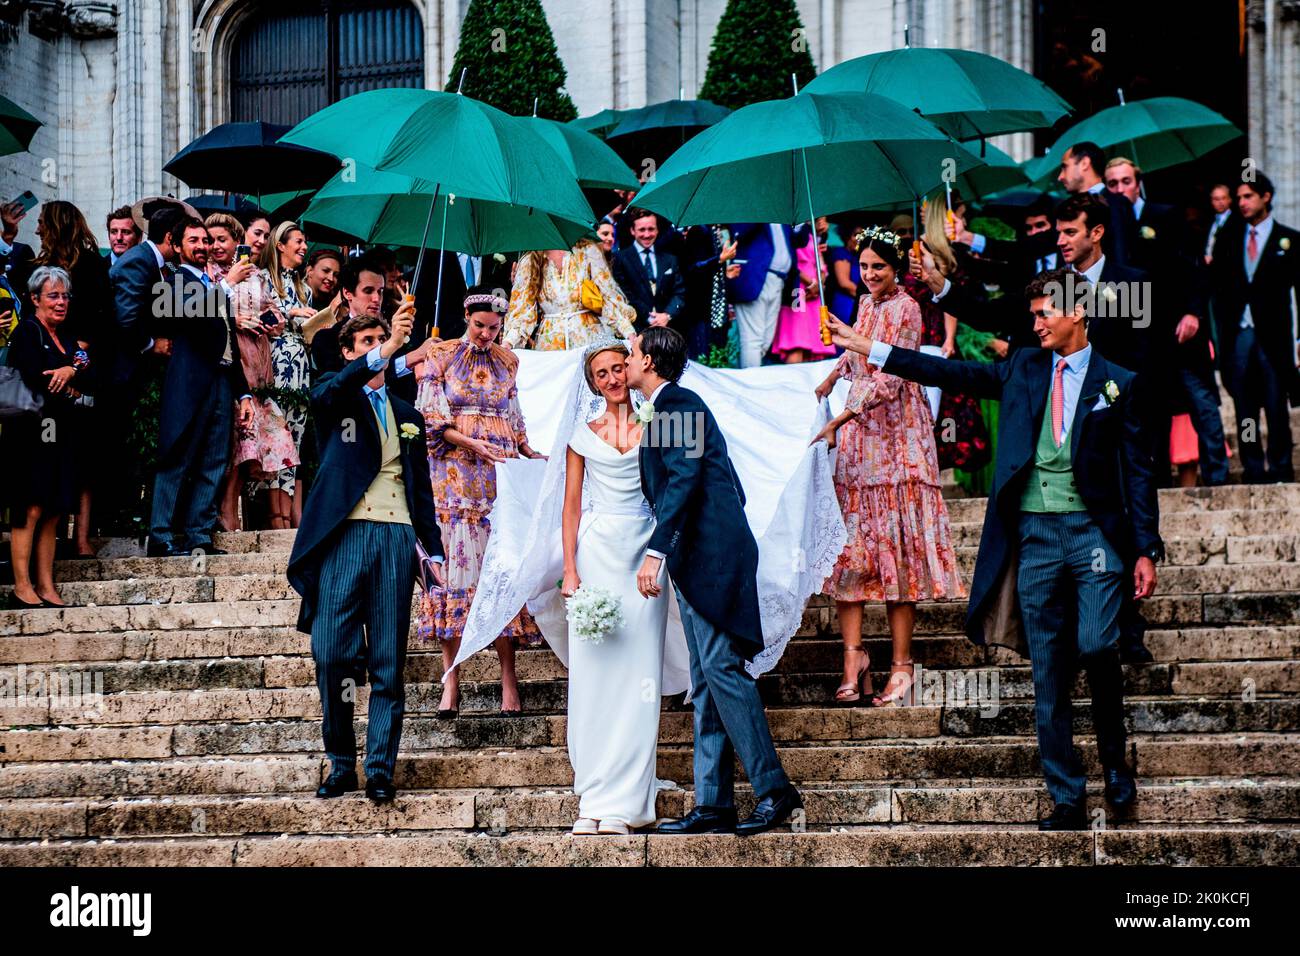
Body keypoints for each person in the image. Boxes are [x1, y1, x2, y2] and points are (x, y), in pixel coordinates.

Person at [826, 267, 1163, 831]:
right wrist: (873, 347)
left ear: (1078, 313)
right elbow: (949, 369)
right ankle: (1066, 795)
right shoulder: (1025, 367)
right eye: (1032, 315)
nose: (1033, 325)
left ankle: (1114, 766)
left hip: (1095, 536)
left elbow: (1139, 474)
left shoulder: (1118, 382)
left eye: (1042, 314)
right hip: (1034, 534)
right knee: (1049, 666)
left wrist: (1146, 548)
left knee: (1100, 645)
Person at [627, 326, 802, 836]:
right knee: (704, 682)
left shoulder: (679, 403)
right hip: (701, 554)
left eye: (634, 352)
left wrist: (656, 551)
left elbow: (684, 477)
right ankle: (713, 804)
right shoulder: (668, 406)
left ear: (653, 362)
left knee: (722, 670)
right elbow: (722, 480)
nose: (629, 359)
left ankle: (775, 791)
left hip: (711, 556)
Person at [286, 308, 445, 804]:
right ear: (351, 352)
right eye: (370, 341)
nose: (382, 345)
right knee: (332, 653)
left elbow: (421, 490)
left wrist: (433, 550)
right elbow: (326, 392)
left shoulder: (409, 414)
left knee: (388, 662)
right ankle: (340, 761)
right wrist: (388, 348)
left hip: (396, 539)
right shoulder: (336, 398)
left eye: (385, 337)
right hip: (345, 536)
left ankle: (379, 769)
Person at [812, 226, 965, 707]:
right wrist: (831, 374)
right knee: (852, 553)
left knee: (899, 555)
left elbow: (892, 376)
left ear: (896, 268)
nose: (870, 274)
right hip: (861, 441)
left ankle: (902, 666)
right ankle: (852, 656)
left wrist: (839, 415)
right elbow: (859, 361)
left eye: (878, 267)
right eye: (864, 267)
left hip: (897, 439)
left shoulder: (908, 307)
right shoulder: (865, 304)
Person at [559, 338, 689, 834]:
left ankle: (629, 803)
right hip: (597, 554)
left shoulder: (660, 422)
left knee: (639, 677)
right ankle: (593, 797)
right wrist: (570, 570)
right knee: (595, 676)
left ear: (632, 369)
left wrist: (663, 553)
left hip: (645, 554)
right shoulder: (581, 434)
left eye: (619, 368)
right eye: (602, 374)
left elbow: (678, 484)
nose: (612, 379)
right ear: (591, 382)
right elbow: (570, 508)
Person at [414, 287, 546, 716]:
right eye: (480, 326)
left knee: (499, 565)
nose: (487, 334)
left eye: (495, 328)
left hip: (497, 472)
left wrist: (528, 450)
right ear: (466, 318)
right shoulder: (442, 354)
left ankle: (509, 679)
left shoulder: (509, 360)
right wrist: (472, 442)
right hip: (454, 473)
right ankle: (450, 680)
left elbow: (514, 412)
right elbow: (431, 418)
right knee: (454, 573)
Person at [1104, 157, 1227, 487]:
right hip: (1141, 334)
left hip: (1178, 328)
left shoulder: (1165, 215)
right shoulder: (1107, 223)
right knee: (1150, 408)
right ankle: (1155, 480)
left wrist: (1193, 312)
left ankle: (1218, 478)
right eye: (1112, 184)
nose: (1119, 190)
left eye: (1125, 182)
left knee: (1200, 402)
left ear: (1138, 181)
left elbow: (1194, 267)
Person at [147, 216, 254, 557]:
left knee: (214, 460)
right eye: (193, 240)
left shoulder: (214, 283)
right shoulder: (171, 280)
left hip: (222, 380)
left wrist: (244, 393)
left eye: (205, 241)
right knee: (177, 456)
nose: (202, 246)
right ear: (177, 246)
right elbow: (178, 315)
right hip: (190, 383)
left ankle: (199, 536)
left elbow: (230, 342)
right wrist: (224, 287)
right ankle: (161, 536)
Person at [23, 201, 114, 558]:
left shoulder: (90, 267)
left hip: (82, 370)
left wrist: (75, 366)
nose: (37, 229)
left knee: (84, 457)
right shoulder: (36, 268)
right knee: (49, 458)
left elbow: (100, 325)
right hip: (45, 372)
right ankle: (52, 537)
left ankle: (81, 536)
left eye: (43, 222)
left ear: (57, 225)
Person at [2, 267, 90, 607]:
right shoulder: (27, 332)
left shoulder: (66, 337)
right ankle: (22, 585)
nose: (61, 302)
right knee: (31, 505)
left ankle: (46, 584)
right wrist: (70, 384)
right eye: (53, 295)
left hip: (62, 430)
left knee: (53, 507)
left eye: (65, 295)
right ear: (35, 299)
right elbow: (37, 378)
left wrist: (71, 371)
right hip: (31, 431)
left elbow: (89, 370)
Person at [1210, 173, 1300, 483]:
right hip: (1239, 335)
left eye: (1248, 196)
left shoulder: (1289, 240)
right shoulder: (1228, 240)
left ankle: (1280, 467)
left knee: (1276, 405)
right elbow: (1218, 292)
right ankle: (1252, 467)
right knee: (1245, 409)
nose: (1242, 203)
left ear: (1266, 197)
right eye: (1239, 198)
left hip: (1274, 337)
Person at [107, 208, 180, 542]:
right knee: (125, 446)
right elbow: (126, 317)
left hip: (139, 372)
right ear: (169, 238)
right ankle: (119, 517)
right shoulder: (139, 262)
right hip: (125, 372)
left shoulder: (154, 263)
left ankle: (129, 514)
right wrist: (152, 344)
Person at [256, 221, 313, 527]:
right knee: (275, 436)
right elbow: (261, 316)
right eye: (298, 241)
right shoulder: (263, 278)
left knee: (295, 439)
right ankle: (273, 515)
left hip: (301, 368)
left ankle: (289, 514)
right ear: (280, 245)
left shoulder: (304, 287)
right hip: (276, 364)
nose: (304, 247)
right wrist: (291, 312)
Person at [502, 239, 636, 350]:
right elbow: (523, 310)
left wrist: (628, 332)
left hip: (588, 337)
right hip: (550, 344)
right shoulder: (531, 260)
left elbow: (608, 295)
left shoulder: (587, 251)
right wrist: (509, 342)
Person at [727, 223, 809, 367]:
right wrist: (762, 208)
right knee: (753, 340)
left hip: (780, 280)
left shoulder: (781, 212)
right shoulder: (751, 204)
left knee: (765, 340)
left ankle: (750, 378)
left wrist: (800, 223)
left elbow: (800, 241)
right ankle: (750, 385)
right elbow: (738, 231)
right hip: (753, 277)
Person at [1055, 140, 1135, 267]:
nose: (1060, 177)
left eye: (1065, 167)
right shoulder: (1065, 207)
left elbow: (1121, 257)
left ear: (1084, 163)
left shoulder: (1115, 204)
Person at [771, 216, 836, 364]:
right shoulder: (795, 232)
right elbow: (792, 264)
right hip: (797, 291)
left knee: (813, 343)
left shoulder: (814, 236)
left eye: (825, 220)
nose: (823, 223)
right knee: (796, 341)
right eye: (820, 219)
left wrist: (819, 284)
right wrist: (813, 283)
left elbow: (822, 266)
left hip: (815, 293)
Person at [611, 208, 687, 333]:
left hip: (667, 329)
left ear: (657, 230)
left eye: (651, 229)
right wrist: (648, 317)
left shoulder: (670, 259)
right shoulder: (620, 259)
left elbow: (679, 292)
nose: (647, 234)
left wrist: (667, 315)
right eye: (642, 230)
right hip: (636, 329)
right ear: (632, 231)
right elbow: (624, 293)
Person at [1203, 183, 1233, 263]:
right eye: (1216, 199)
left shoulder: (1237, 222)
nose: (1220, 202)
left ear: (1229, 200)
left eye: (1223, 198)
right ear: (1212, 201)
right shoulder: (1208, 220)